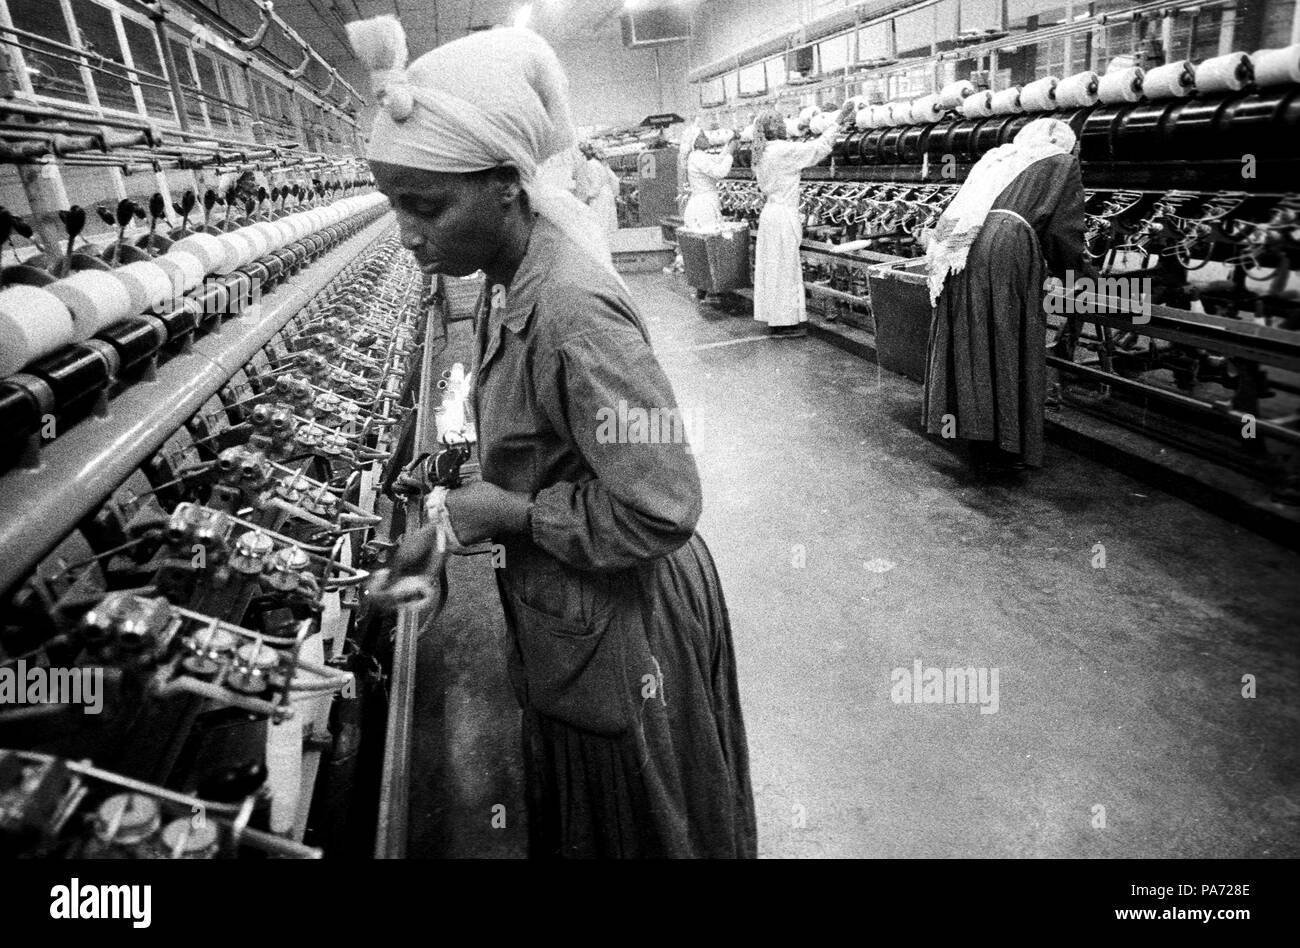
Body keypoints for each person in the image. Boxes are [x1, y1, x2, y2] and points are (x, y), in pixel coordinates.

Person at [347, 15, 756, 859]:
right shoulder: (510, 275)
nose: (406, 233)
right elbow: (540, 439)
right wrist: (451, 510)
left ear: (504, 183)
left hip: (626, 617)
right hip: (582, 609)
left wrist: (512, 516)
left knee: (638, 827)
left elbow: (661, 507)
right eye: (394, 203)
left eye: (426, 205)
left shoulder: (571, 310)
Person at [921, 117, 1088, 474]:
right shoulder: (1062, 162)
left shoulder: (998, 157)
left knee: (974, 339)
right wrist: (1085, 277)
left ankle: (978, 438)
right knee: (1008, 338)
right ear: (1064, 144)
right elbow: (1063, 233)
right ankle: (1009, 444)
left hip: (965, 248)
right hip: (1008, 248)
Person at [751, 104, 853, 336]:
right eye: (779, 122)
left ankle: (777, 320)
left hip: (771, 215)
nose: (784, 125)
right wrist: (840, 120)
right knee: (785, 271)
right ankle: (784, 324)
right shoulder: (781, 150)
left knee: (774, 270)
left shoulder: (763, 151)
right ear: (772, 128)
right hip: (783, 216)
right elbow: (818, 148)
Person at [682, 129, 736, 231]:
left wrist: (729, 144)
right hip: (705, 207)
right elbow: (720, 172)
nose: (707, 138)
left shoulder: (697, 156)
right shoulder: (698, 157)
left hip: (701, 203)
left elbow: (718, 159)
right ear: (695, 142)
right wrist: (731, 153)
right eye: (703, 137)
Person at [580, 144, 620, 235]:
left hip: (599, 198)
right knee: (608, 226)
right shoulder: (602, 165)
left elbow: (596, 185)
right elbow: (615, 180)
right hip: (607, 194)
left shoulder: (590, 165)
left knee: (599, 225)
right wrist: (614, 194)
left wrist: (586, 197)